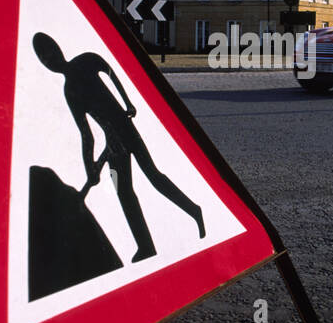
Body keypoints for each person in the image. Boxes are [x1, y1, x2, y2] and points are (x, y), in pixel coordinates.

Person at [33, 33, 205, 262]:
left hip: (126, 131)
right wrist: (90, 168)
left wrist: (127, 102)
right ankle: (146, 246)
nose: (50, 61)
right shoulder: (70, 91)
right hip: (112, 145)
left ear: (58, 49)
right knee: (124, 192)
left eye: (50, 53)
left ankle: (195, 211)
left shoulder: (85, 61)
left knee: (153, 176)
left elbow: (110, 72)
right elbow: (86, 133)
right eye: (43, 59)